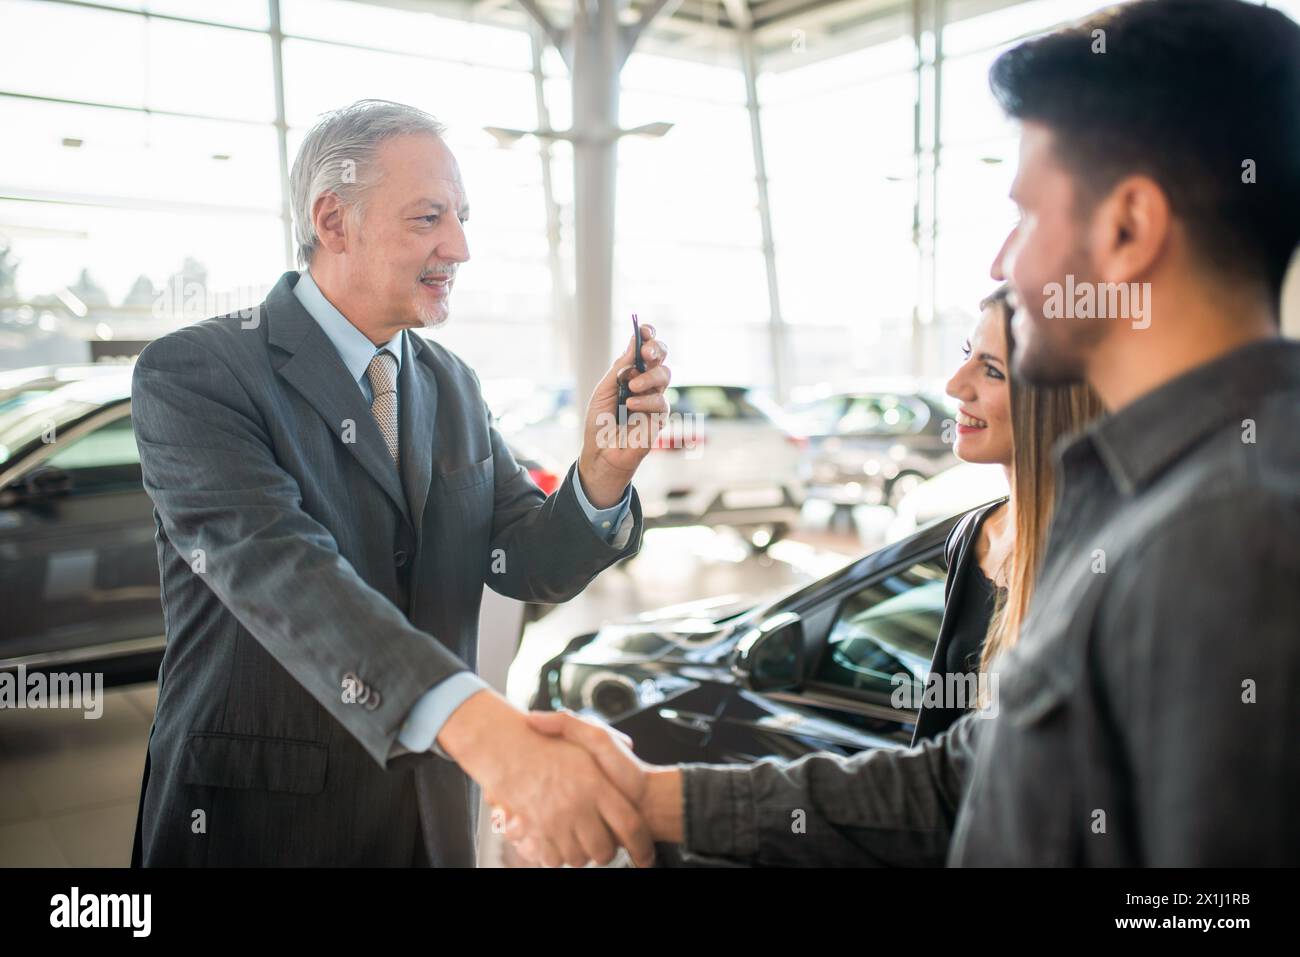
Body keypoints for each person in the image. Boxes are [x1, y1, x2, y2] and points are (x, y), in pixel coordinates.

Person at [514, 0, 1300, 866]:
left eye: (1028, 214)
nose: (1005, 263)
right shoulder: (1128, 496)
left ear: (1128, 230)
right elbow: (961, 784)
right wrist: (648, 797)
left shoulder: (1234, 531)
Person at [129, 99, 668, 867]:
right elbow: (283, 571)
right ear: (334, 220)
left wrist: (602, 475)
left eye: (462, 217)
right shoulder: (196, 374)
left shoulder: (449, 383)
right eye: (428, 218)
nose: (460, 246)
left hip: (430, 817)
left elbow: (524, 561)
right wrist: (486, 729)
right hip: (265, 821)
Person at [914, 286, 1102, 743]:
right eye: (966, 354)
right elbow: (945, 751)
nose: (955, 385)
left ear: (1055, 402)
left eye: (993, 371)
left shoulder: (1095, 561)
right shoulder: (973, 534)